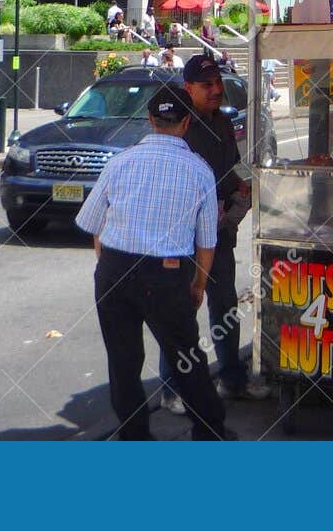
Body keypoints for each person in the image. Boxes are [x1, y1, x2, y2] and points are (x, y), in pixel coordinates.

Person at [75, 83, 230, 440]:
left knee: (123, 364)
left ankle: (135, 440)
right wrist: (199, 285)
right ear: (187, 122)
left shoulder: (119, 162)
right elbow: (207, 241)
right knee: (187, 360)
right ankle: (210, 433)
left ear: (150, 119)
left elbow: (93, 223)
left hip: (114, 271)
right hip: (166, 275)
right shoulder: (199, 170)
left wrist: (108, 262)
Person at [159, 54, 269, 407]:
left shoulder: (221, 122)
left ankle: (231, 378)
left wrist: (242, 185)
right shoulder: (180, 124)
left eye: (218, 83)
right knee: (182, 309)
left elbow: (229, 165)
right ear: (188, 88)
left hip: (220, 232)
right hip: (186, 236)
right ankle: (172, 389)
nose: (216, 90)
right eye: (207, 85)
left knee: (224, 307)